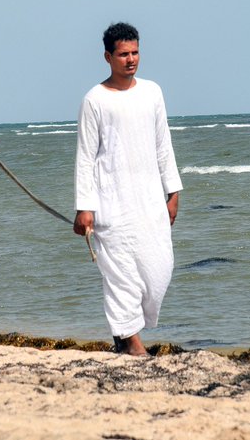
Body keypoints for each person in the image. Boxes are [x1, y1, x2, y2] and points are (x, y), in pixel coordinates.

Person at [73, 22, 183, 356]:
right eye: (123, 54)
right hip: (112, 203)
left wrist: (173, 192)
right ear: (108, 56)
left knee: (158, 268)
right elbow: (85, 157)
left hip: (150, 200)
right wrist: (84, 207)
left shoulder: (152, 92)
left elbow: (164, 145)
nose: (130, 59)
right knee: (120, 273)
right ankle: (131, 342)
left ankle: (124, 335)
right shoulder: (94, 100)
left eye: (135, 53)